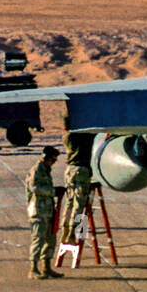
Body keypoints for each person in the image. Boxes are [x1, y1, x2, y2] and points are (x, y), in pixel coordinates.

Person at [25, 145, 64, 279]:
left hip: (47, 210)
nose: (53, 163)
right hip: (38, 211)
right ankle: (33, 269)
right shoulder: (36, 170)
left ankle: (46, 267)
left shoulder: (46, 170)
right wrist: (53, 191)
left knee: (50, 240)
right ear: (45, 158)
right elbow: (34, 188)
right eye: (52, 160)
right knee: (38, 239)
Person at [59, 116, 97, 246]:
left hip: (70, 170)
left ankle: (64, 232)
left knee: (69, 202)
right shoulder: (85, 135)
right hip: (82, 170)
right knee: (79, 204)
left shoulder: (67, 137)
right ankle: (73, 234)